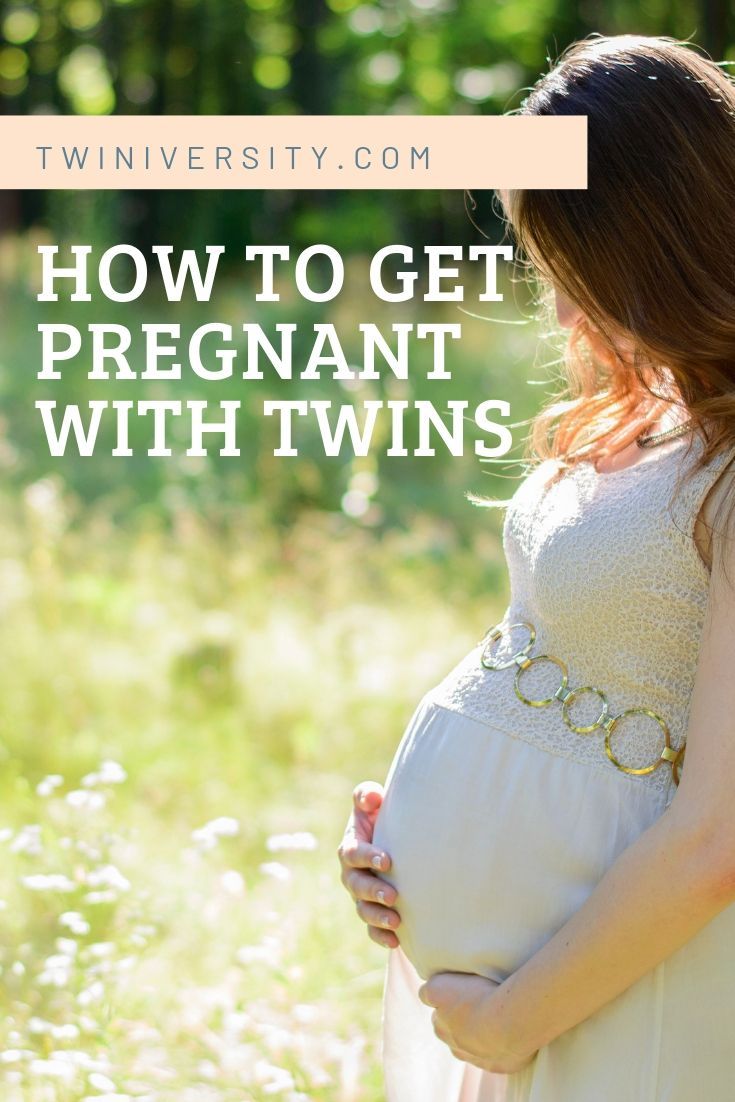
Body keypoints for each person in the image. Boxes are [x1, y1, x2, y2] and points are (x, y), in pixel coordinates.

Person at [337, 33, 735, 1102]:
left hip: (624, 989)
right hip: (536, 988)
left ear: (669, 244)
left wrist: (513, 1018)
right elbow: (558, 647)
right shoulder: (648, 416)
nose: (559, 307)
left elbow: (719, 834)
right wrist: (396, 842)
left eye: (580, 267)